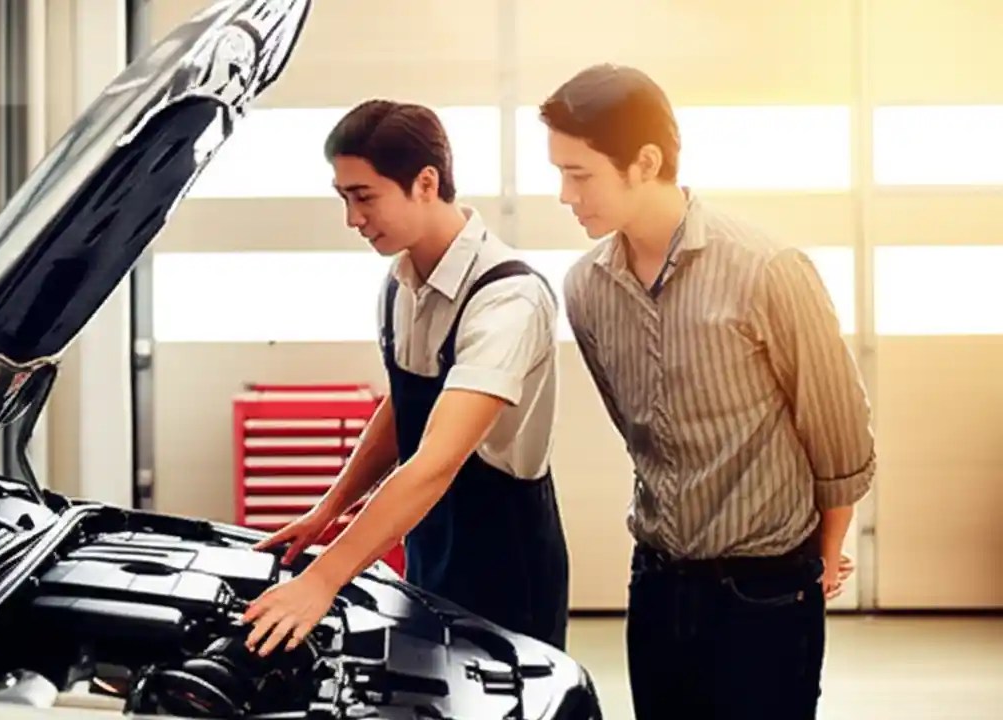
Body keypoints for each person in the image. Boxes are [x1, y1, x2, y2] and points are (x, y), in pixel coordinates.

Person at [540, 64, 873, 719]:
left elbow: (838, 431)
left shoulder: (767, 269)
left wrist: (824, 557)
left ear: (645, 162)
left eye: (579, 174)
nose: (563, 195)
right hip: (659, 584)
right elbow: (633, 427)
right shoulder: (585, 289)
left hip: (767, 591)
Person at [239, 99, 571, 656]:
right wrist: (328, 511)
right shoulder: (399, 283)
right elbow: (405, 408)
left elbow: (436, 461)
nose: (352, 219)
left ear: (425, 182)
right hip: (427, 542)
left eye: (364, 197)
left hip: (505, 560)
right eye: (344, 198)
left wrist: (324, 578)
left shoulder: (507, 297)